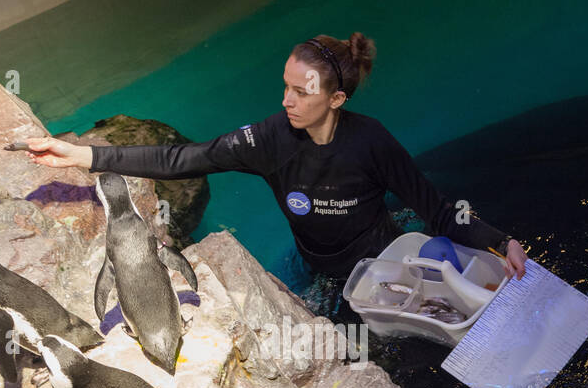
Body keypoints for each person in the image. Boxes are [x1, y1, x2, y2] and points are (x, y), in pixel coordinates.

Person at [27, 32, 527, 283]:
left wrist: (499, 239)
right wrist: (81, 153)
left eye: (301, 93)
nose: (287, 101)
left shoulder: (371, 141)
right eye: (285, 87)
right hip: (319, 267)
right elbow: (182, 160)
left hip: (383, 259)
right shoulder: (269, 139)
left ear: (336, 100)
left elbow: (437, 211)